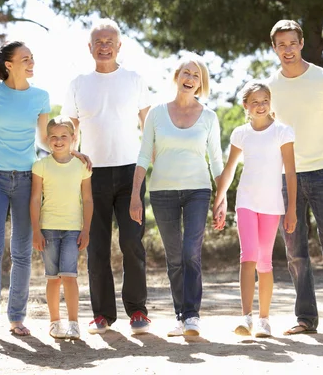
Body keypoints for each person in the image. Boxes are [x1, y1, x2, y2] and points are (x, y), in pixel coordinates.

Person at [266, 19, 323, 337]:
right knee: (294, 251)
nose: (287, 49)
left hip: (322, 174)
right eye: (281, 44)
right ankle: (306, 318)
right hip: (284, 177)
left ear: (302, 43)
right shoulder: (270, 88)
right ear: (274, 48)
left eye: (292, 43)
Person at [62, 18, 152, 335]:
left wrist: (151, 159)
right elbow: (69, 131)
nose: (103, 46)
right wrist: (69, 158)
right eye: (98, 41)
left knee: (131, 243)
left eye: (109, 41)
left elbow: (148, 124)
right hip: (90, 176)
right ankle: (102, 315)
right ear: (90, 47)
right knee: (97, 247)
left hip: (131, 173)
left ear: (119, 46)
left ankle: (138, 310)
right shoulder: (77, 84)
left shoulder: (134, 79)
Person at [130, 53, 224, 337]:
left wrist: (222, 197)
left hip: (198, 190)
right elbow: (144, 154)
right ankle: (180, 316)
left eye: (196, 76)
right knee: (174, 256)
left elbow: (217, 161)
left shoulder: (209, 117)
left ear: (201, 83)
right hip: (162, 193)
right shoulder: (157, 113)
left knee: (190, 252)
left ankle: (192, 314)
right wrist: (136, 194)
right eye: (186, 73)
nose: (190, 79)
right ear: (176, 76)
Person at [0, 41, 51, 336]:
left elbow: (44, 139)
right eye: (25, 58)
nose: (31, 63)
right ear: (9, 64)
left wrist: (69, 152)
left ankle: (17, 317)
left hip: (28, 179)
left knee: (22, 251)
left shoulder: (41, 96)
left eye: (32, 57)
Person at [212, 80, 297, 338]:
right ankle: (246, 317)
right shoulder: (240, 134)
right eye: (255, 102)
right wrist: (219, 200)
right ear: (246, 106)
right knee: (247, 255)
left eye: (265, 101)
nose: (261, 106)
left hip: (272, 205)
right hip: (246, 202)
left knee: (264, 262)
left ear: (270, 103)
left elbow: (291, 172)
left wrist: (291, 208)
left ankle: (263, 319)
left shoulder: (283, 131)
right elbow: (229, 171)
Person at [30, 116, 93, 340]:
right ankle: (55, 322)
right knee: (52, 278)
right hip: (48, 229)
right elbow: (36, 199)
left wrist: (86, 229)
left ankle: (74, 323)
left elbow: (87, 200)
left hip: (73, 229)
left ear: (73, 138)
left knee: (69, 276)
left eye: (64, 136)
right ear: (47, 140)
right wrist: (36, 230)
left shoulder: (82, 166)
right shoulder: (40, 166)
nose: (58, 141)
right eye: (54, 137)